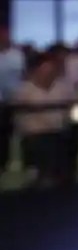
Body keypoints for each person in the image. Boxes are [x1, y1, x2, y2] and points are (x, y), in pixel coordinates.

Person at [12, 55, 74, 188]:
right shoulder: (24, 90)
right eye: (44, 70)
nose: (48, 74)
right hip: (35, 134)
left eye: (52, 71)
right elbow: (20, 117)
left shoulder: (62, 88)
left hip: (60, 132)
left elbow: (71, 108)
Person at [0, 26, 25, 174]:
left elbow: (22, 75)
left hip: (15, 99)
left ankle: (12, 162)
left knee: (13, 132)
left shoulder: (17, 55)